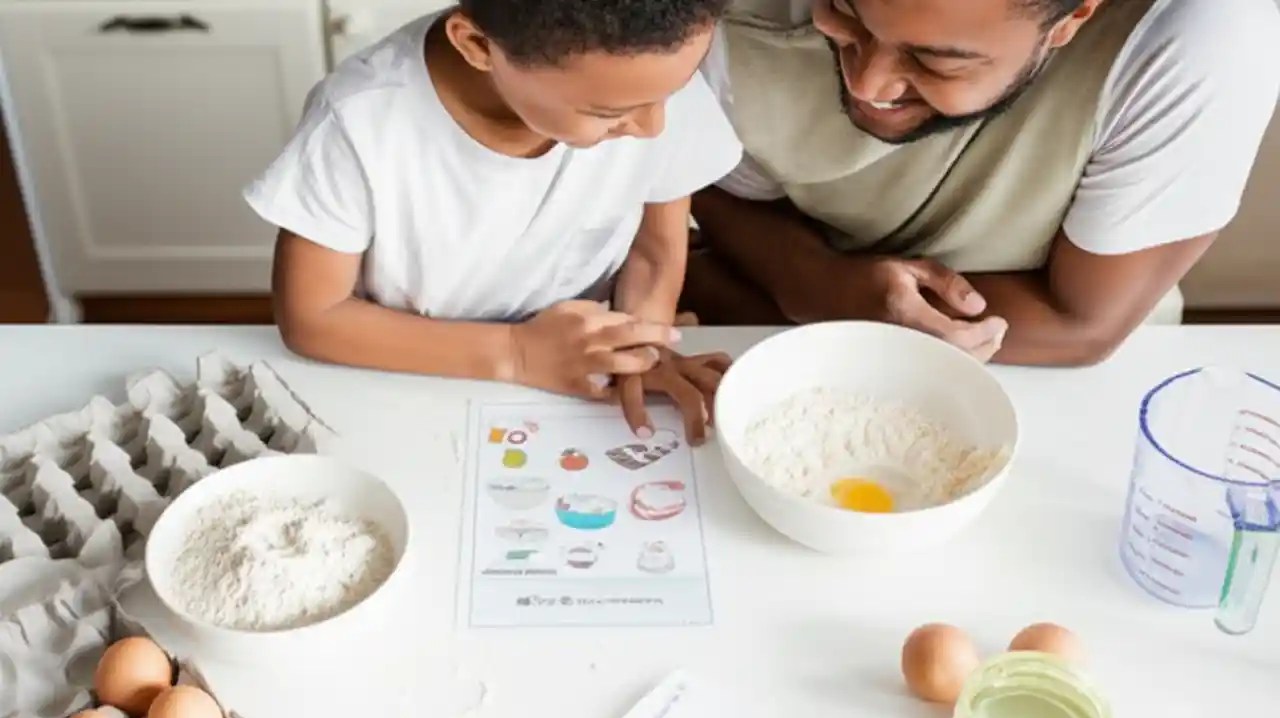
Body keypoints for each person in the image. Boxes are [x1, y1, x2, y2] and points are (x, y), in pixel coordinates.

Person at [244, 0, 743, 443]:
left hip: (566, 385)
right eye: (609, 111)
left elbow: (653, 251)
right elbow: (312, 316)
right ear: (478, 46)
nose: (653, 127)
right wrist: (516, 354)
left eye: (670, 96)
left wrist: (635, 353)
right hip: (405, 375)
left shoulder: (651, 77)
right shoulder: (360, 123)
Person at [685, 0, 1280, 365]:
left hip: (1055, 382)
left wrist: (834, 304)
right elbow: (700, 183)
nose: (869, 84)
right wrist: (820, 287)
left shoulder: (1206, 33)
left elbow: (1080, 324)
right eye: (847, 14)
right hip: (768, 331)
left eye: (936, 61)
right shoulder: (732, 16)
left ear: (1074, 18)